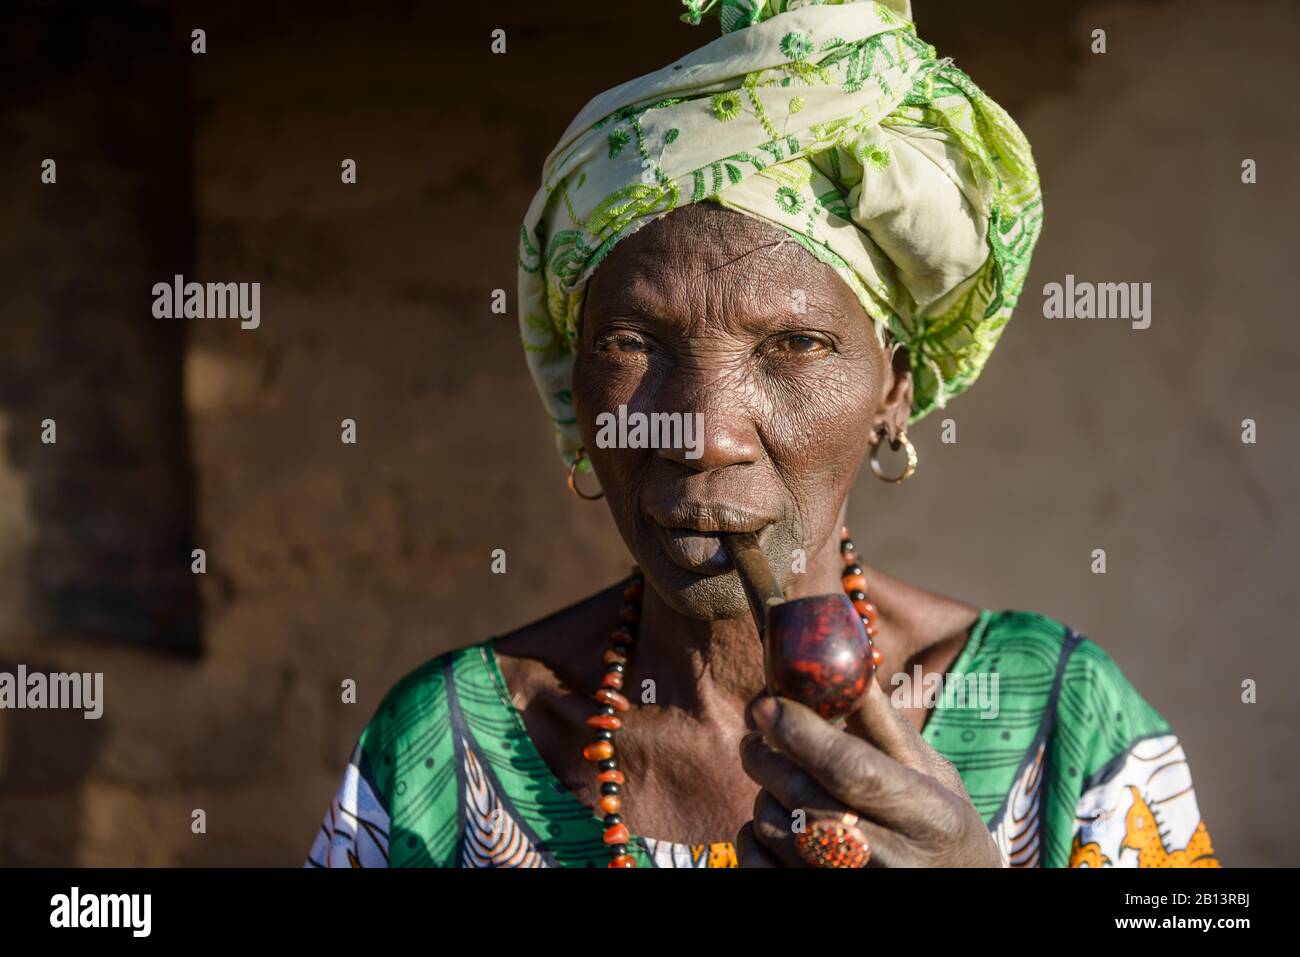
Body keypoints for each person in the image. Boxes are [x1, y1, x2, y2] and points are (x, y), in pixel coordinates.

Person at [306, 0, 1218, 868]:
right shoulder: (442, 751)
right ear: (574, 391)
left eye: (795, 344)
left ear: (893, 389)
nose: (701, 435)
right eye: (632, 344)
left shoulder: (1064, 725)